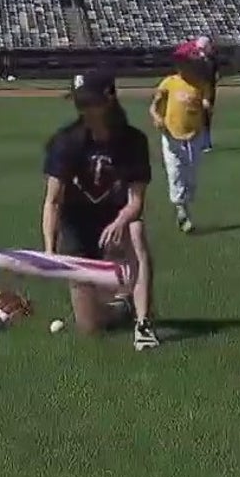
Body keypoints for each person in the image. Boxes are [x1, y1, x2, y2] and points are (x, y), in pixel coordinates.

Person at [43, 70, 159, 351]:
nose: (83, 109)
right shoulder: (65, 141)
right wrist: (49, 251)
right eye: (79, 103)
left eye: (89, 102)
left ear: (109, 100)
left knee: (136, 230)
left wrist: (120, 220)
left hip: (117, 221)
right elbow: (53, 201)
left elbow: (136, 201)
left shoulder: (133, 141)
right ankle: (122, 307)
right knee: (89, 327)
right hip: (77, 227)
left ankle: (143, 324)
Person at [150, 46, 213, 233]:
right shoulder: (169, 83)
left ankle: (183, 204)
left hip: (194, 135)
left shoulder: (201, 85)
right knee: (175, 171)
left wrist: (205, 105)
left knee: (190, 175)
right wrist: (157, 117)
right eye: (181, 63)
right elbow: (154, 106)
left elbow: (206, 103)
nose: (183, 67)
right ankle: (181, 211)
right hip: (171, 135)